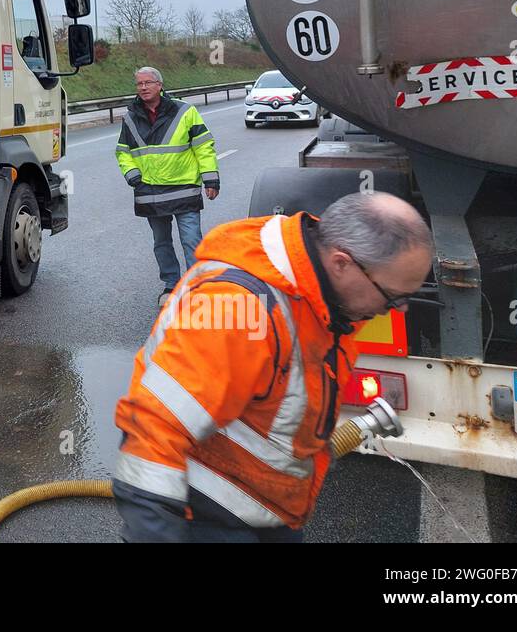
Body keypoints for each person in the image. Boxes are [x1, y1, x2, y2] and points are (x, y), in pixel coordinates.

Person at [111, 192, 432, 543]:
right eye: (393, 297)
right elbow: (154, 432)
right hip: (209, 516)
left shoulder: (318, 289)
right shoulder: (241, 311)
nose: (398, 310)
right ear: (342, 263)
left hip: (264, 510)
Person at [115, 67, 219, 303]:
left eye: (148, 83)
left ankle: (196, 285)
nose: (143, 87)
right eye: (139, 84)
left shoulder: (185, 111)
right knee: (161, 242)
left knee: (191, 239)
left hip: (184, 188)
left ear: (160, 85)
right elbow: (123, 152)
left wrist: (210, 178)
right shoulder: (130, 117)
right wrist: (133, 176)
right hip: (150, 191)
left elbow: (203, 145)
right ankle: (171, 284)